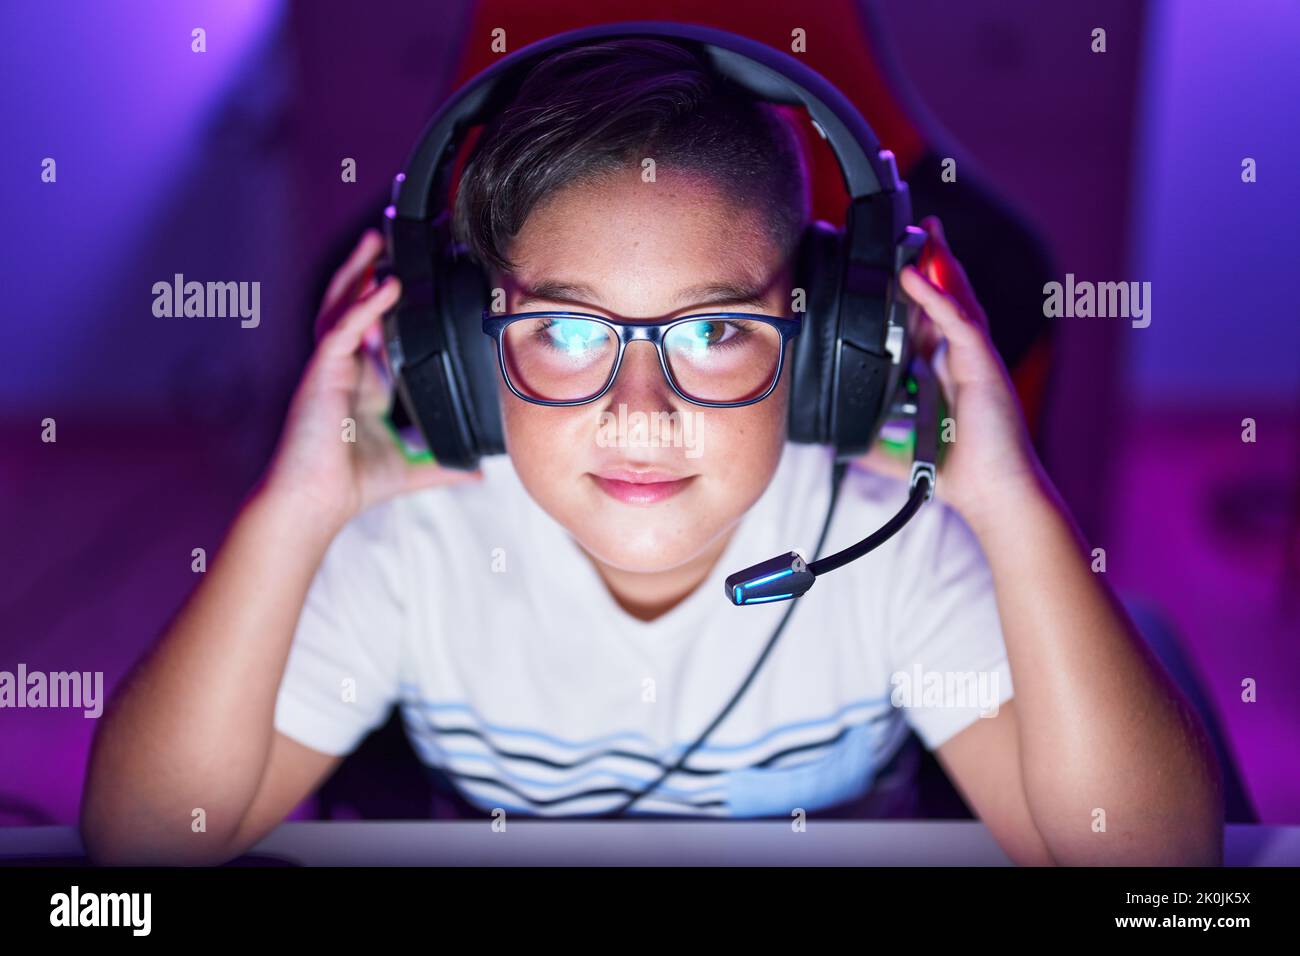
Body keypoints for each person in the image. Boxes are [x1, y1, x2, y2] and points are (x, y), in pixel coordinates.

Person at [80, 38, 1222, 865]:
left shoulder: (887, 538)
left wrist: (1012, 501)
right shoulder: (407, 543)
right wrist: (295, 509)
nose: (641, 405)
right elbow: (139, 843)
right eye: (567, 329)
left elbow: (1149, 869)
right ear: (460, 352)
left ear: (834, 340)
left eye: (716, 329)